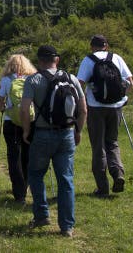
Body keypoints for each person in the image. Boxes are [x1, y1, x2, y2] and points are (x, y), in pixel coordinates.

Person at [21, 45, 86, 237]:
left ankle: (41, 215)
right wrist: (79, 131)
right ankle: (67, 227)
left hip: (41, 134)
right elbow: (83, 110)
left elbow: (24, 109)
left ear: (39, 61)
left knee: (35, 174)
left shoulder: (33, 80)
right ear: (56, 59)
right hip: (66, 134)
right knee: (66, 180)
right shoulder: (71, 78)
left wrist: (26, 131)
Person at [76, 34, 133, 197]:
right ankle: (118, 174)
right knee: (112, 142)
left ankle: (102, 188)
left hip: (95, 107)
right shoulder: (116, 58)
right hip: (115, 107)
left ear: (91, 46)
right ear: (106, 46)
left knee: (98, 145)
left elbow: (79, 84)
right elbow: (130, 81)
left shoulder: (88, 60)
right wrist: (122, 98)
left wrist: (81, 103)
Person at [0, 54, 37, 204]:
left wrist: (6, 109)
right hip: (30, 121)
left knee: (14, 157)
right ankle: (26, 184)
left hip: (11, 122)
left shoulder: (6, 80)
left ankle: (19, 194)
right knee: (27, 155)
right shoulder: (32, 79)